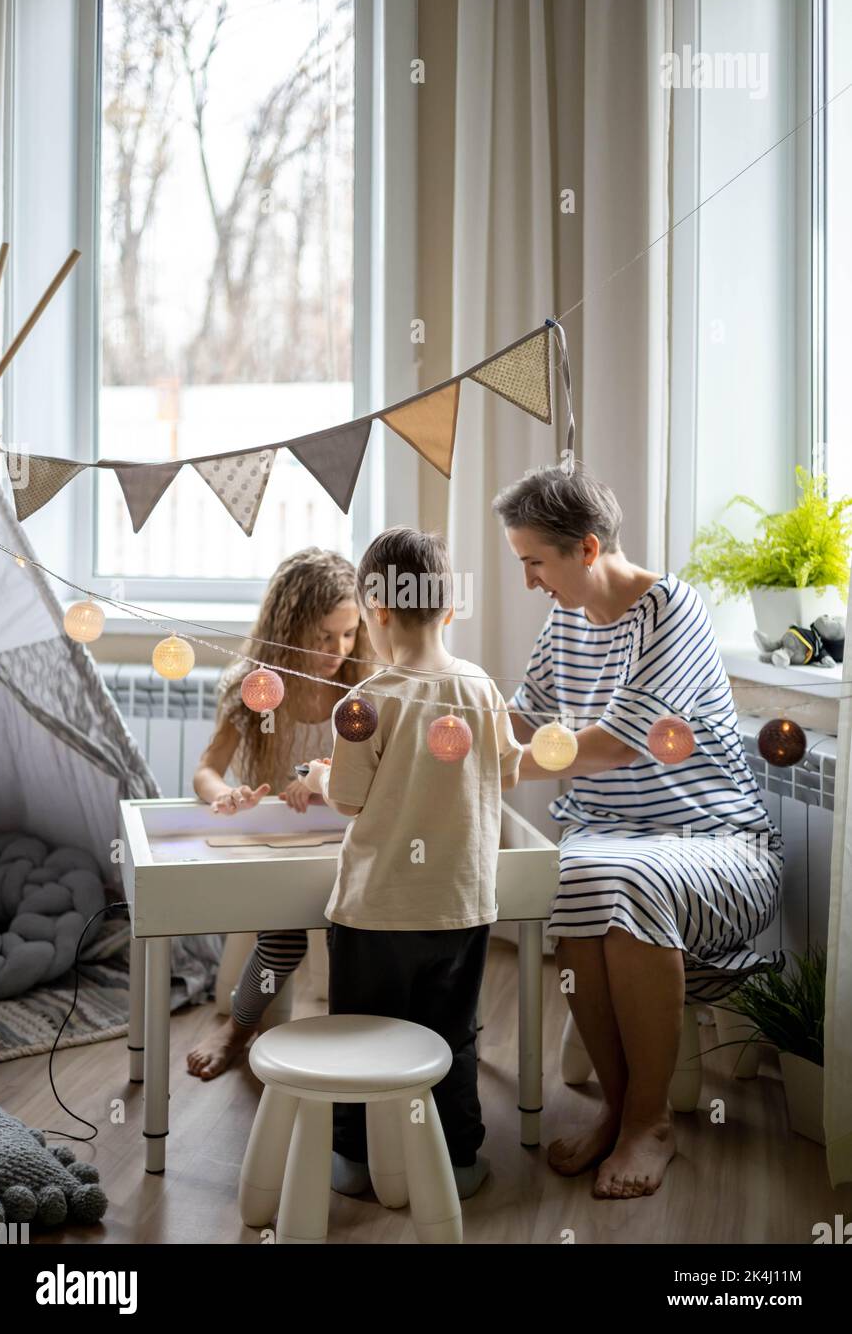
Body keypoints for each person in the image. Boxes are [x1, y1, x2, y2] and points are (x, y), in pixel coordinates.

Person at [492, 460, 785, 1200]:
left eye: (535, 563)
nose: (529, 581)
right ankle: (622, 1110)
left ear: (586, 549)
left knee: (622, 879)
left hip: (718, 845)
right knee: (581, 874)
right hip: (609, 838)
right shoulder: (566, 617)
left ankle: (651, 1121)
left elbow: (621, 741)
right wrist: (449, 731)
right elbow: (522, 715)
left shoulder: (671, 611)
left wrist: (508, 767)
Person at [301, 526, 522, 1200]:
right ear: (448, 610)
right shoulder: (480, 688)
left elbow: (346, 798)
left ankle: (355, 1158)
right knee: (451, 1038)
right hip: (461, 908)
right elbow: (507, 772)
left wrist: (316, 776)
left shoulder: (363, 703)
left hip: (378, 912)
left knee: (358, 1038)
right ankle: (456, 1160)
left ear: (378, 612)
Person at [186, 548, 375, 1080]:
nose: (338, 649)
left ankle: (360, 1037)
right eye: (323, 636)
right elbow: (206, 770)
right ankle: (239, 1029)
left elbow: (379, 773)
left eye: (348, 633)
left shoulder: (361, 687)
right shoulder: (255, 689)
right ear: (288, 629)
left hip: (349, 844)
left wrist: (321, 782)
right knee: (285, 931)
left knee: (365, 927)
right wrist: (226, 795)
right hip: (284, 847)